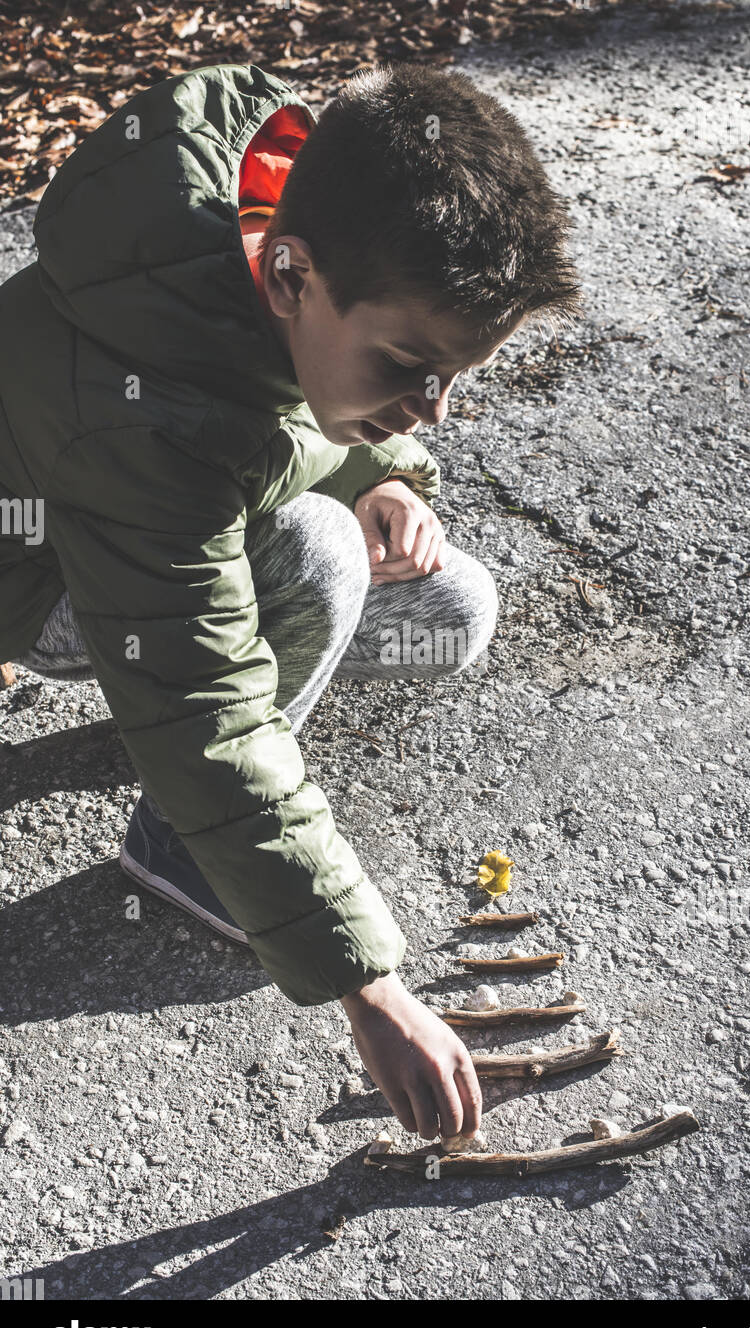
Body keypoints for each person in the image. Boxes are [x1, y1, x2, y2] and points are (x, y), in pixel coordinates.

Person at [0, 60, 582, 1142]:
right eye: (410, 364)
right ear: (291, 276)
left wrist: (386, 471)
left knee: (452, 613)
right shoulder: (135, 419)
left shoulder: (295, 201)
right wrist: (368, 985)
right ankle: (180, 842)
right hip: (46, 576)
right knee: (317, 557)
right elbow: (204, 704)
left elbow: (279, 391)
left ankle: (197, 770)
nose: (435, 408)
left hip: (173, 528)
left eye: (454, 376)